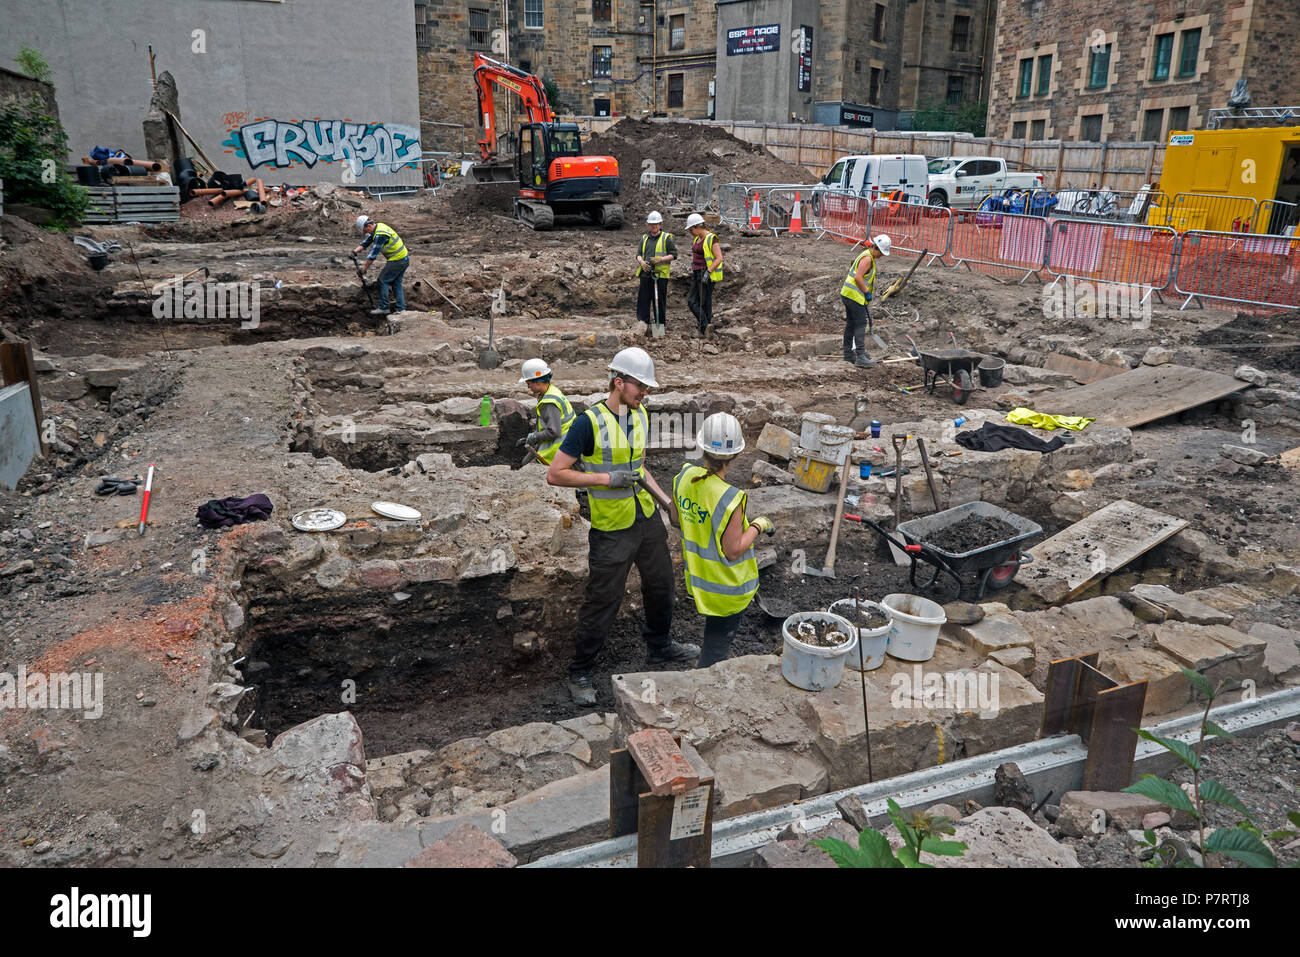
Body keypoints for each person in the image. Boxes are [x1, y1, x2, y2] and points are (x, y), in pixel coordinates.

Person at [547, 347, 698, 704]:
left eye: (647, 387)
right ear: (619, 382)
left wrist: (666, 504)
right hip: (612, 526)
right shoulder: (588, 423)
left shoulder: (640, 415)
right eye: (640, 386)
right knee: (603, 599)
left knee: (661, 585)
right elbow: (556, 474)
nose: (645, 392)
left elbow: (639, 468)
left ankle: (659, 646)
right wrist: (604, 479)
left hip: (646, 517)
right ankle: (580, 670)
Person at [672, 413, 774, 669]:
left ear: (703, 447)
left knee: (712, 637)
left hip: (699, 582)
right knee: (715, 652)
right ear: (737, 454)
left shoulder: (684, 476)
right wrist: (758, 525)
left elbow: (675, 518)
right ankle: (705, 686)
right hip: (726, 589)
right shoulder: (731, 497)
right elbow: (733, 550)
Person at [840, 233, 890, 368]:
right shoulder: (868, 258)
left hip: (849, 294)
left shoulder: (868, 256)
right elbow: (858, 277)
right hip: (853, 295)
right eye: (882, 253)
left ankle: (848, 354)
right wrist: (866, 292)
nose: (881, 256)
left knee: (851, 324)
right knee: (860, 324)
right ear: (877, 248)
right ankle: (861, 355)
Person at [516, 358, 576, 464]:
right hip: (569, 441)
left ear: (537, 381)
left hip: (558, 449)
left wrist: (534, 437)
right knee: (525, 462)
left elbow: (554, 431)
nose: (528, 386)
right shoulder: (552, 391)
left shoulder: (549, 402)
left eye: (528, 382)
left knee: (529, 468)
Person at [353, 215, 410, 315]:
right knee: (396, 283)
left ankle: (384, 307)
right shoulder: (379, 227)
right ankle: (400, 309)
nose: (366, 233)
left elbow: (373, 255)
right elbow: (367, 242)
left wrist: (364, 269)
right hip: (403, 258)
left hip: (398, 260)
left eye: (365, 230)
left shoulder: (380, 234)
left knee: (382, 280)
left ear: (369, 225)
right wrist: (355, 251)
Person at [635, 211, 676, 328]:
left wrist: (661, 259)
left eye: (656, 224)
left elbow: (674, 255)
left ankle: (660, 325)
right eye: (652, 224)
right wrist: (641, 262)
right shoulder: (644, 238)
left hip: (660, 276)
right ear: (648, 225)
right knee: (643, 300)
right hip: (646, 274)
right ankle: (643, 323)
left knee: (659, 302)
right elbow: (638, 254)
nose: (654, 226)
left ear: (660, 224)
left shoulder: (666, 238)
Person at [685, 213, 724, 336]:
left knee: (705, 302)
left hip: (706, 274)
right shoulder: (697, 238)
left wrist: (708, 272)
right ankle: (706, 326)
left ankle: (706, 328)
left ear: (697, 227)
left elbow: (719, 258)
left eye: (691, 229)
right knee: (692, 301)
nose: (690, 232)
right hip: (697, 272)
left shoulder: (711, 238)